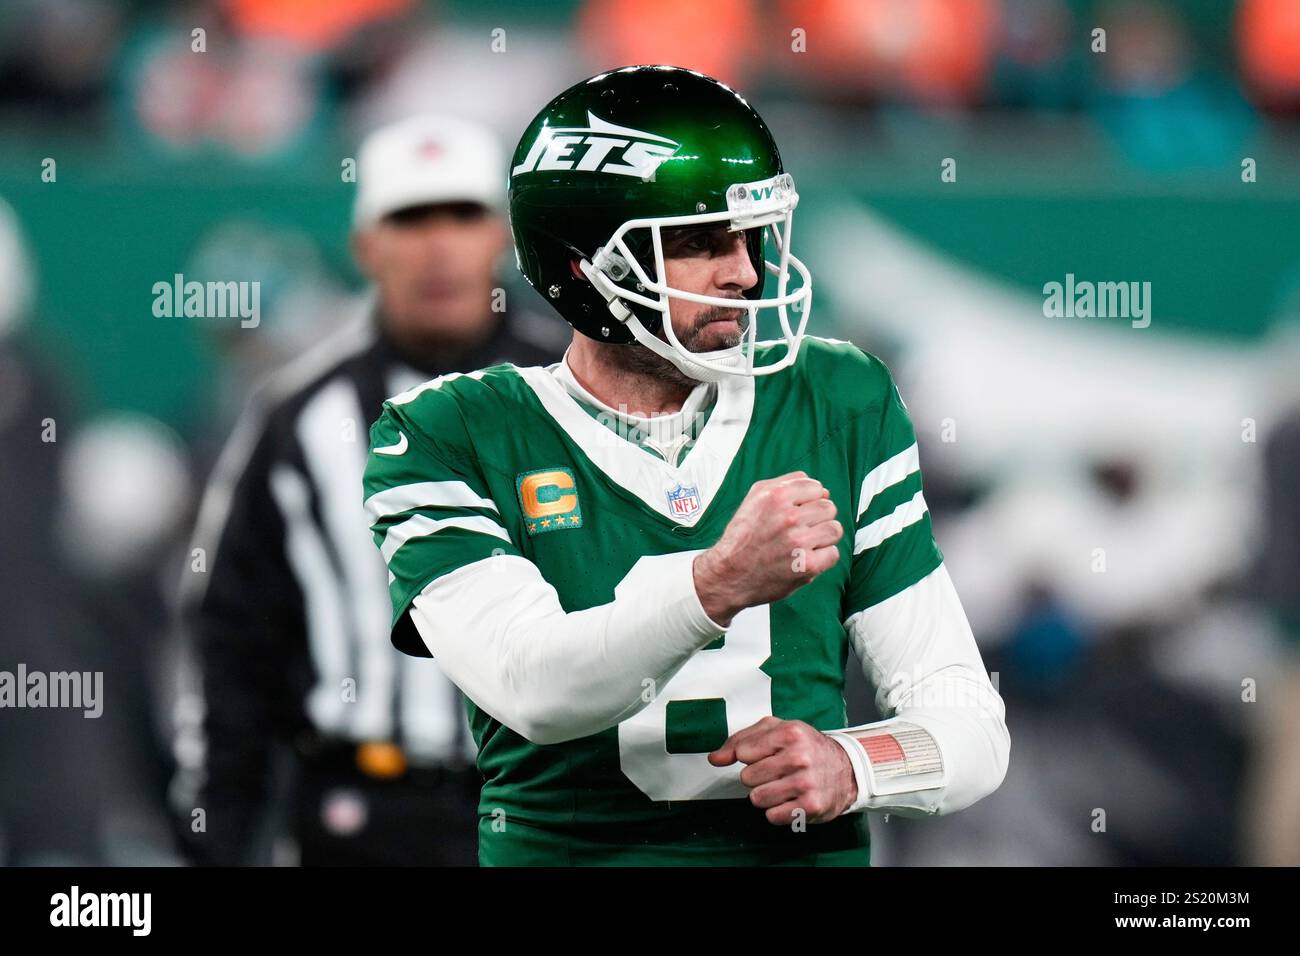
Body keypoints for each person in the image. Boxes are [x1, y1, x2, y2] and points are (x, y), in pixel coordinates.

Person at [362, 66, 1010, 866]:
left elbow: (969, 722)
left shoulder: (839, 399)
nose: (743, 272)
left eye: (750, 238)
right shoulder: (448, 433)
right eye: (700, 242)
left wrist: (856, 764)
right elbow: (534, 685)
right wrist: (716, 584)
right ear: (580, 266)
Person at [172, 114, 566, 866]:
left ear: (502, 237)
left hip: (552, 806)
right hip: (363, 815)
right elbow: (231, 634)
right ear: (366, 247)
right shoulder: (298, 416)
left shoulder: (585, 394)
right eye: (410, 219)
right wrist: (217, 828)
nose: (439, 244)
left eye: (463, 214)